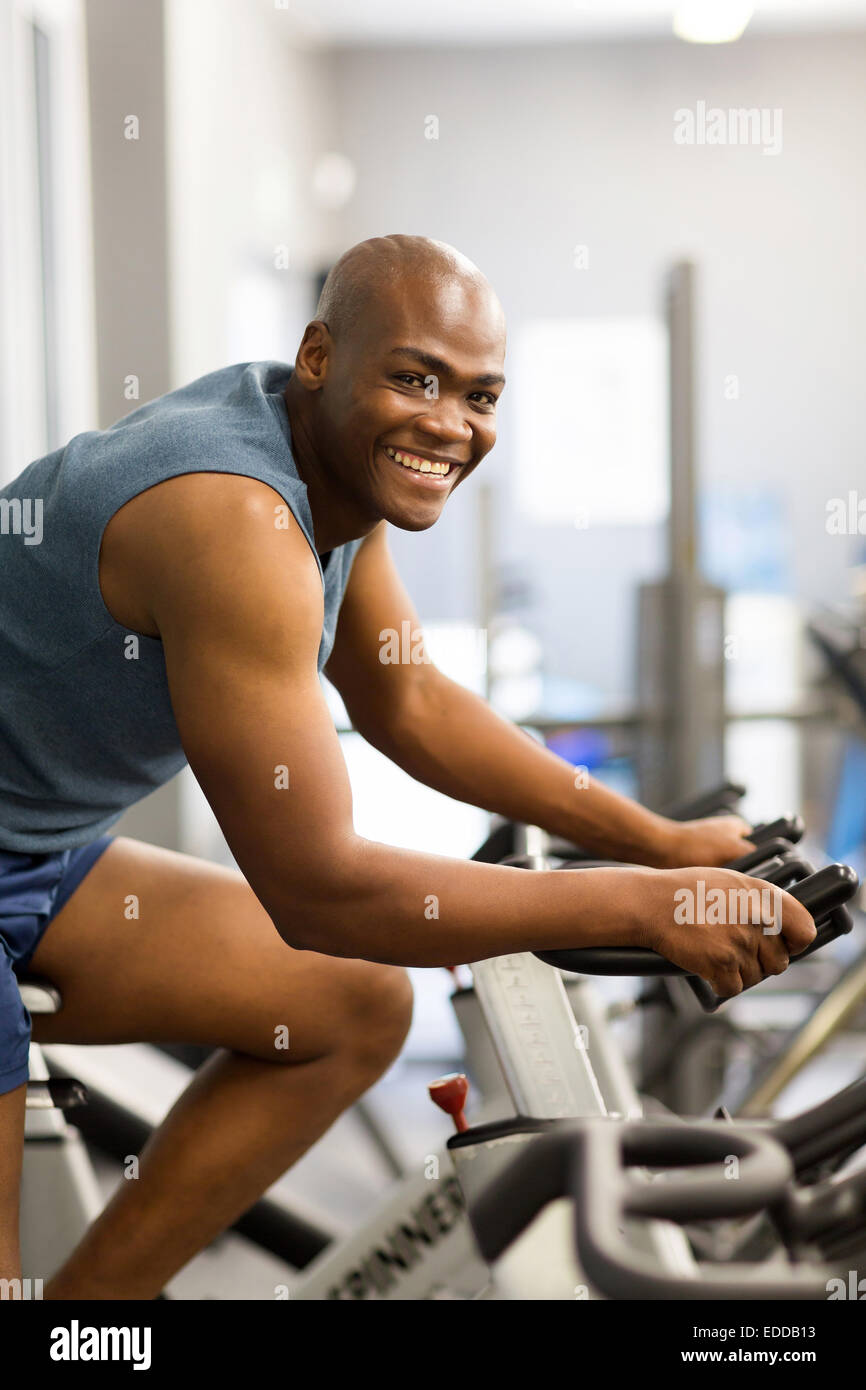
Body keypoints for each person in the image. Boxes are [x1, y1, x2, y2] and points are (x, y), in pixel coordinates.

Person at [0, 234, 815, 1299]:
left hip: (40, 856)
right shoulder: (234, 519)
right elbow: (319, 890)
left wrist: (661, 843)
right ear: (319, 357)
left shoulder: (326, 471)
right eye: (415, 378)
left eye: (480, 396)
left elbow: (410, 700)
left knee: (353, 1008)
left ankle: (86, 1323)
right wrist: (640, 905)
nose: (448, 424)